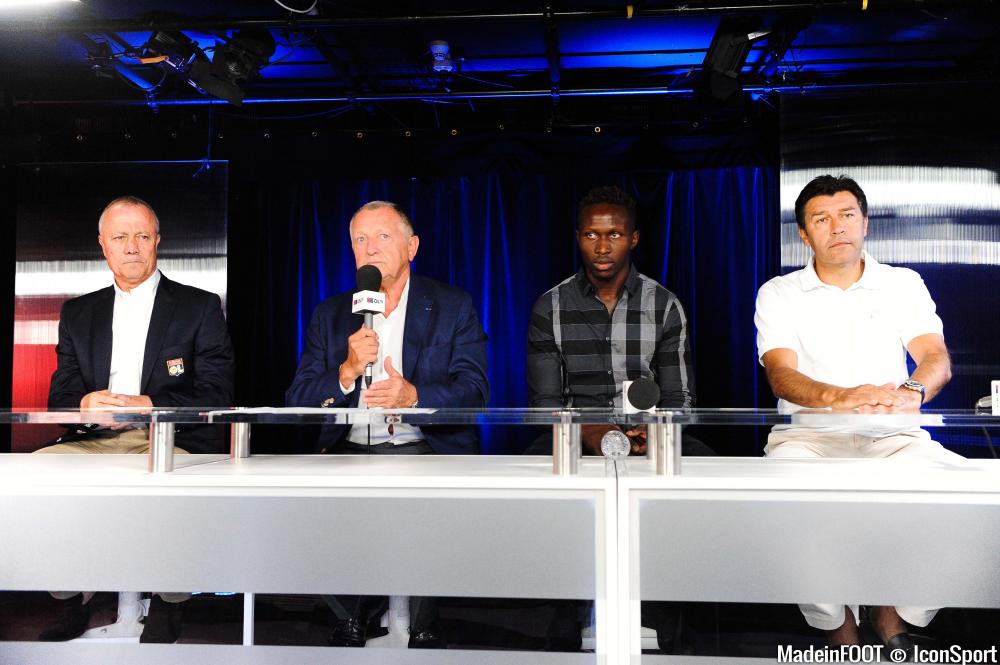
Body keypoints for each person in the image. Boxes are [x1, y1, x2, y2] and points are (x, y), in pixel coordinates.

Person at [754, 174, 964, 653]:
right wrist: (839, 397)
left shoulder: (902, 283)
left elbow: (935, 358)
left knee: (954, 503)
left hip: (892, 436)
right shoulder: (779, 293)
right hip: (807, 440)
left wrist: (912, 391)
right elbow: (780, 375)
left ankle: (894, 614)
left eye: (847, 215)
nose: (837, 227)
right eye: (821, 219)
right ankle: (838, 628)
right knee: (792, 513)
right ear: (804, 235)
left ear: (865, 223)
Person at [285, 200, 489, 648]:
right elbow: (298, 400)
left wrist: (413, 396)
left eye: (382, 236)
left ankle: (422, 619)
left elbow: (475, 391)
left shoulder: (452, 305)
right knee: (305, 509)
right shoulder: (331, 314)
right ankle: (354, 610)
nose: (370, 248)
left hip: (425, 447)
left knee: (428, 510)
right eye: (360, 239)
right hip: (347, 449)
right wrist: (346, 371)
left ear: (411, 246)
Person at [38, 195, 235, 643]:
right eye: (120, 237)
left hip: (168, 438)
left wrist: (152, 405)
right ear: (103, 245)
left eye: (142, 236)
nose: (132, 247)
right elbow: (60, 394)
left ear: (157, 242)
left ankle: (169, 603)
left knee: (170, 486)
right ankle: (69, 598)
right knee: (40, 474)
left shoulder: (199, 307)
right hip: (93, 439)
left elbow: (217, 393)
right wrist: (85, 403)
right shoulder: (77, 312)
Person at [526, 185, 707, 653]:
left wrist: (652, 432)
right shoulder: (552, 306)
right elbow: (544, 403)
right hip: (573, 440)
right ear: (578, 238)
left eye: (614, 234)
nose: (602, 246)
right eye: (591, 234)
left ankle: (674, 626)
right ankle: (561, 624)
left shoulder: (664, 305)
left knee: (702, 476)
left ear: (634, 238)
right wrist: (586, 432)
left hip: (649, 438)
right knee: (529, 476)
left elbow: (681, 401)